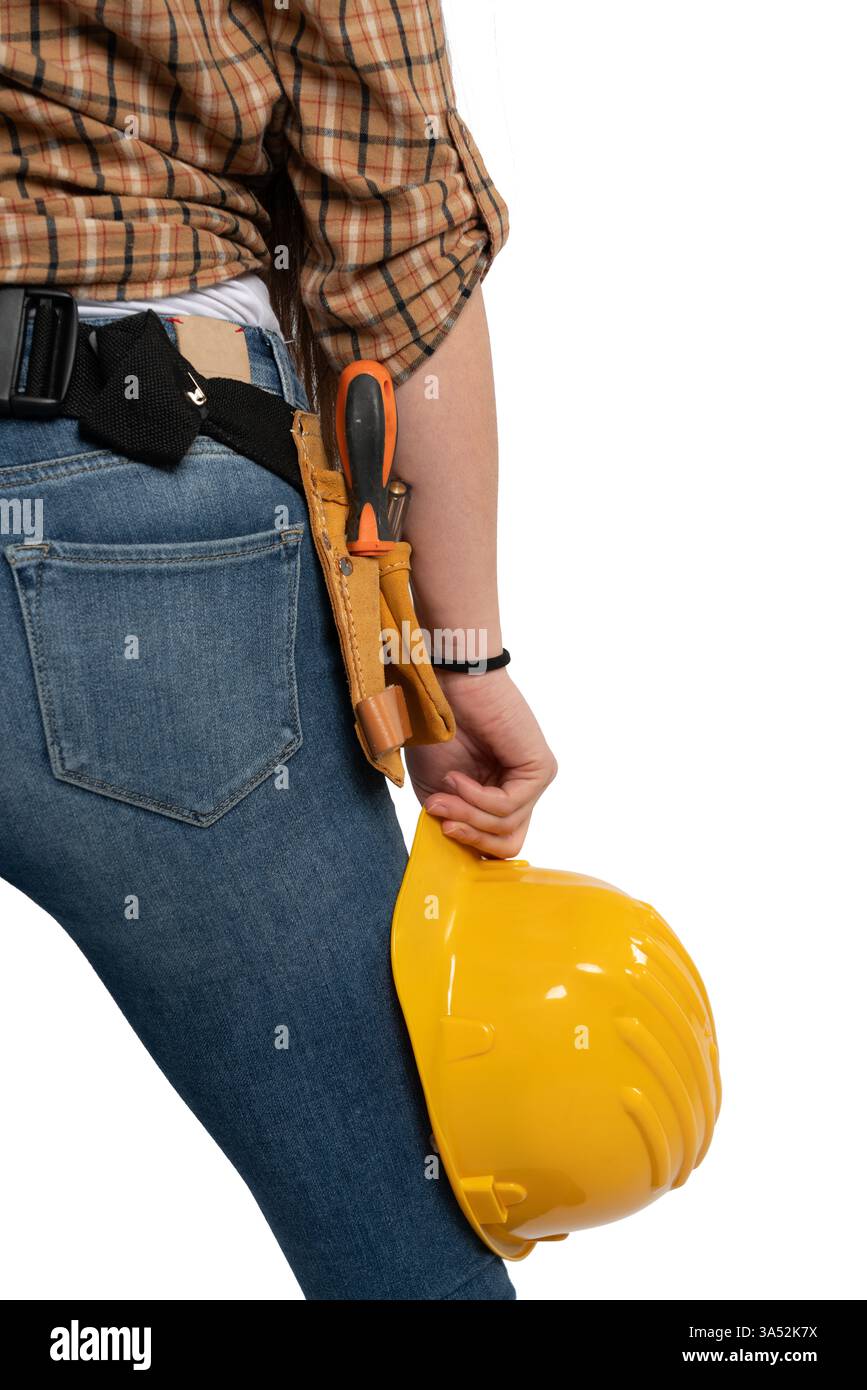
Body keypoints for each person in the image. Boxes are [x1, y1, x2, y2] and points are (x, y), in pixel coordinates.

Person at [0, 1, 556, 1300]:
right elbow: (393, 225)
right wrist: (455, 652)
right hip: (137, 491)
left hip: (138, 488)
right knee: (408, 1258)